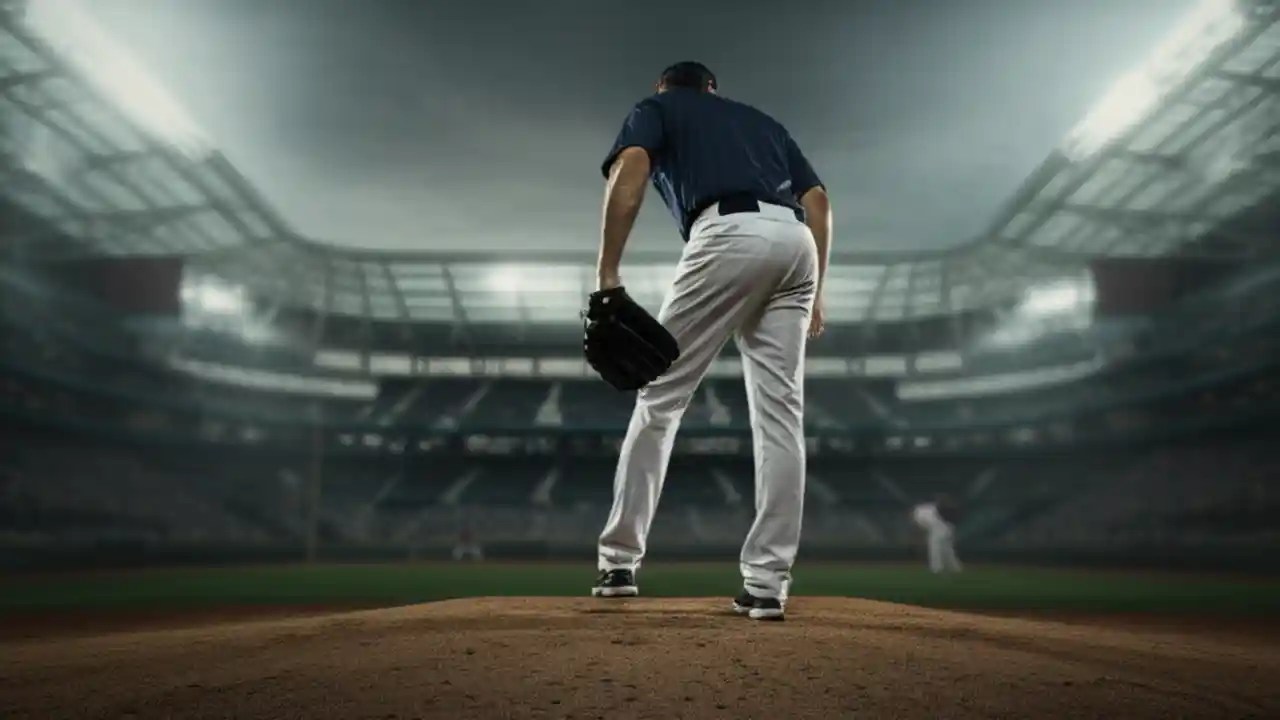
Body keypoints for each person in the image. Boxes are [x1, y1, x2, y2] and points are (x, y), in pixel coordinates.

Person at [590, 61, 832, 621]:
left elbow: (630, 164)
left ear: (663, 87)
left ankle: (619, 561)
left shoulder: (657, 108)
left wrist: (607, 271)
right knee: (781, 415)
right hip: (798, 246)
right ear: (714, 90)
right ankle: (768, 582)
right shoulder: (763, 123)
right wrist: (817, 289)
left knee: (659, 398)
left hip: (728, 232)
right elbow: (817, 199)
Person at [911, 496, 963, 574]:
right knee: (947, 549)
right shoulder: (925, 509)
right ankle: (954, 568)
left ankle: (937, 568)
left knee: (935, 548)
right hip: (946, 526)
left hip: (939, 527)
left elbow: (924, 524)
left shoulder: (918, 512)